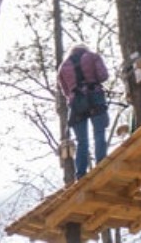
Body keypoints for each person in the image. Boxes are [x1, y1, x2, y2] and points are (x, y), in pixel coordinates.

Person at [57, 43, 110, 179]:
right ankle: (101, 164)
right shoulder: (93, 57)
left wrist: (76, 91)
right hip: (95, 95)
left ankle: (80, 174)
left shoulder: (63, 67)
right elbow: (103, 76)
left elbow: (66, 91)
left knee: (82, 141)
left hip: (76, 102)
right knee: (99, 132)